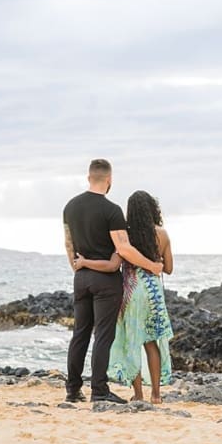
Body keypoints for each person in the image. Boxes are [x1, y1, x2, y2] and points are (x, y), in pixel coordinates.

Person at [63, 160, 163, 404]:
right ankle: (99, 390)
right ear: (109, 180)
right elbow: (123, 248)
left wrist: (77, 267)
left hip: (81, 276)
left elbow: (68, 244)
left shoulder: (70, 207)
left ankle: (73, 389)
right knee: (103, 336)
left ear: (89, 177)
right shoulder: (111, 210)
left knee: (80, 334)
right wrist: (152, 266)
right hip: (106, 279)